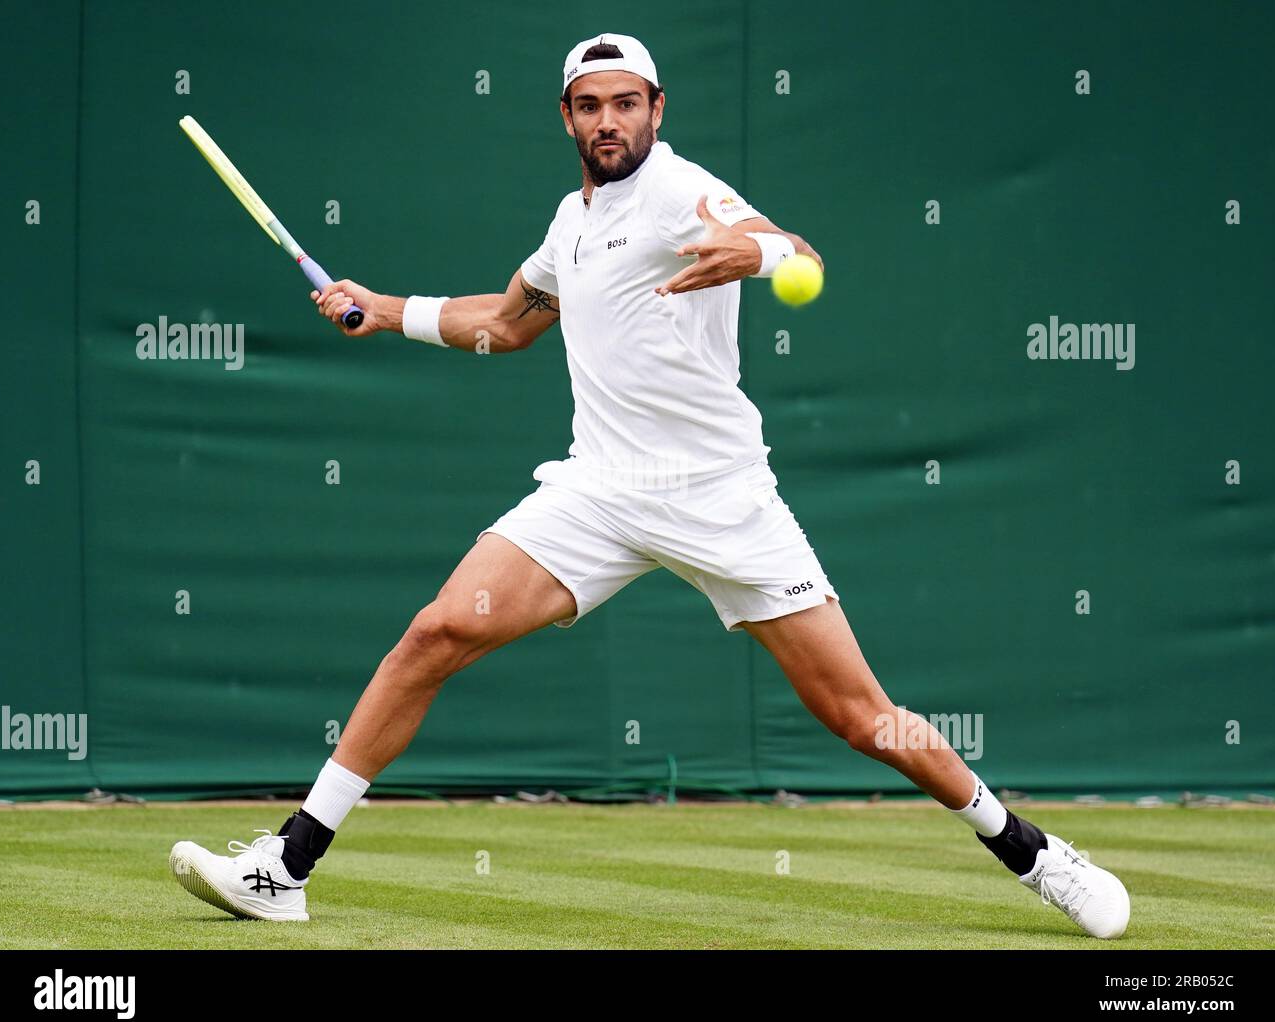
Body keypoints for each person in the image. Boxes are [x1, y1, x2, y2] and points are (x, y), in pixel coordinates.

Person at [170, 32, 1129, 939]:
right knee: (438, 629)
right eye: (590, 107)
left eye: (626, 104)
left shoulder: (682, 193)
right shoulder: (571, 221)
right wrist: (383, 310)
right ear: (566, 117)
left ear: (657, 108)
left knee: (861, 717)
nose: (608, 123)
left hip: (720, 497)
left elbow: (795, 250)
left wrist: (762, 253)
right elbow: (507, 323)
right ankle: (283, 869)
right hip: (598, 490)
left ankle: (1034, 852)